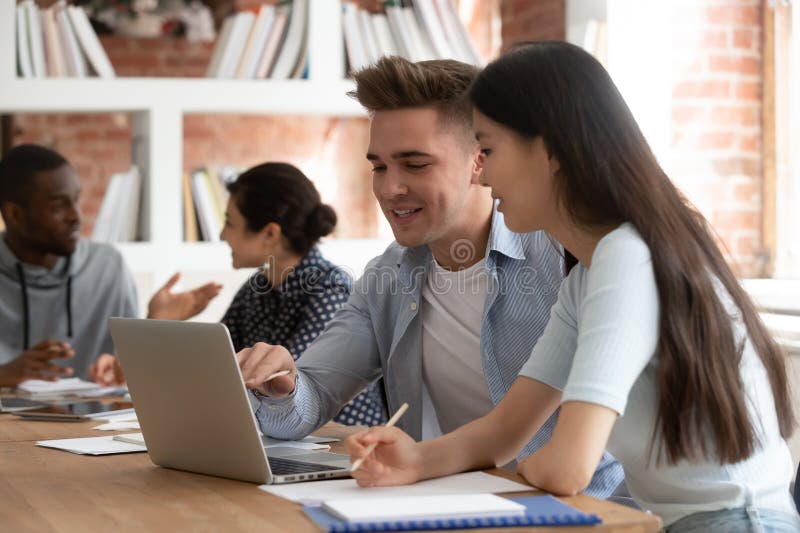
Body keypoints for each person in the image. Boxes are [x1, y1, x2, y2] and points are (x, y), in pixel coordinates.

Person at [344, 42, 800, 532]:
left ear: (551, 152)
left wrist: (538, 467)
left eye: (490, 150)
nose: (485, 175)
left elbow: (566, 467)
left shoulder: (628, 257)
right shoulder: (586, 276)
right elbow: (503, 433)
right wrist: (414, 459)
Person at [235, 56, 624, 497]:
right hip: (465, 501)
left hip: (596, 508)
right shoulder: (388, 278)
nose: (389, 188)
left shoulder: (568, 259)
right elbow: (309, 400)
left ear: (481, 160)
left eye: (415, 164)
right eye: (379, 166)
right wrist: (283, 388)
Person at [0, 144, 220, 387]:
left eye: (75, 200)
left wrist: (153, 325)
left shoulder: (107, 266)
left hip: (94, 424)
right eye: (58, 206)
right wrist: (5, 374)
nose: (75, 216)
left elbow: (132, 372)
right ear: (15, 215)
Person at [220, 162, 385, 427]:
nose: (222, 235)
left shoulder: (330, 290)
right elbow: (218, 363)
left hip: (338, 444)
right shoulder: (255, 289)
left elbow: (286, 383)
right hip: (273, 436)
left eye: (229, 223)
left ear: (270, 233)